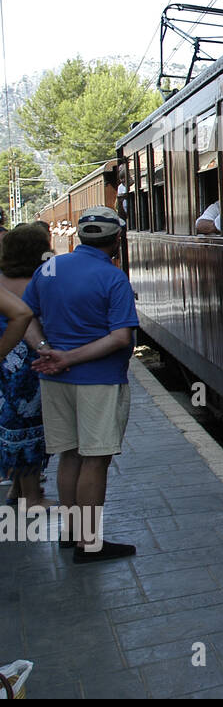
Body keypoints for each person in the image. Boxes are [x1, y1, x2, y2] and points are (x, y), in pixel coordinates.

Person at [22, 207, 138, 562]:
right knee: (95, 459)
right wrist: (68, 357)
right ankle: (91, 543)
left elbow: (23, 315)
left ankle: (71, 534)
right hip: (98, 382)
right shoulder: (113, 277)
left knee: (69, 455)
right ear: (116, 239)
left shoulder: (49, 269)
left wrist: (46, 351)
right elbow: (120, 337)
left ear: (79, 236)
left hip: (53, 380)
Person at [1, 225, 49, 508]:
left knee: (11, 427)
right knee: (30, 428)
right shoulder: (36, 282)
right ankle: (33, 497)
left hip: (4, 359)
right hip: (29, 362)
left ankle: (16, 491)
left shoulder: (1, 280)